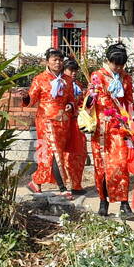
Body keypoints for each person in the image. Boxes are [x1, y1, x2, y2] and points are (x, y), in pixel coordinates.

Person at [86, 43, 134, 218]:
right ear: (108, 61)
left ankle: (124, 203)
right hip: (101, 129)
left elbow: (129, 101)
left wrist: (130, 122)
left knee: (121, 164)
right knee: (102, 166)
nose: (118, 67)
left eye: (121, 64)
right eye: (115, 63)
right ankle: (103, 200)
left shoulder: (126, 78)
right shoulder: (97, 76)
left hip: (119, 126)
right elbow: (89, 102)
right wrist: (89, 99)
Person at [25, 48, 75, 196]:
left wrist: (70, 105)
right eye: (55, 60)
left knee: (50, 154)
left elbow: (73, 99)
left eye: (60, 60)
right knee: (54, 152)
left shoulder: (68, 80)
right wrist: (25, 98)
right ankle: (62, 188)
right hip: (46, 121)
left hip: (63, 122)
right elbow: (31, 99)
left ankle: (36, 182)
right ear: (47, 62)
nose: (58, 63)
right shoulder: (39, 79)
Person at [62, 56, 88, 192]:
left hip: (78, 123)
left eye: (75, 70)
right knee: (65, 155)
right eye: (70, 70)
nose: (73, 73)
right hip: (64, 123)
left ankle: (76, 184)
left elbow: (83, 102)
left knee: (79, 153)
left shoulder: (78, 85)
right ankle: (64, 184)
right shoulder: (59, 84)